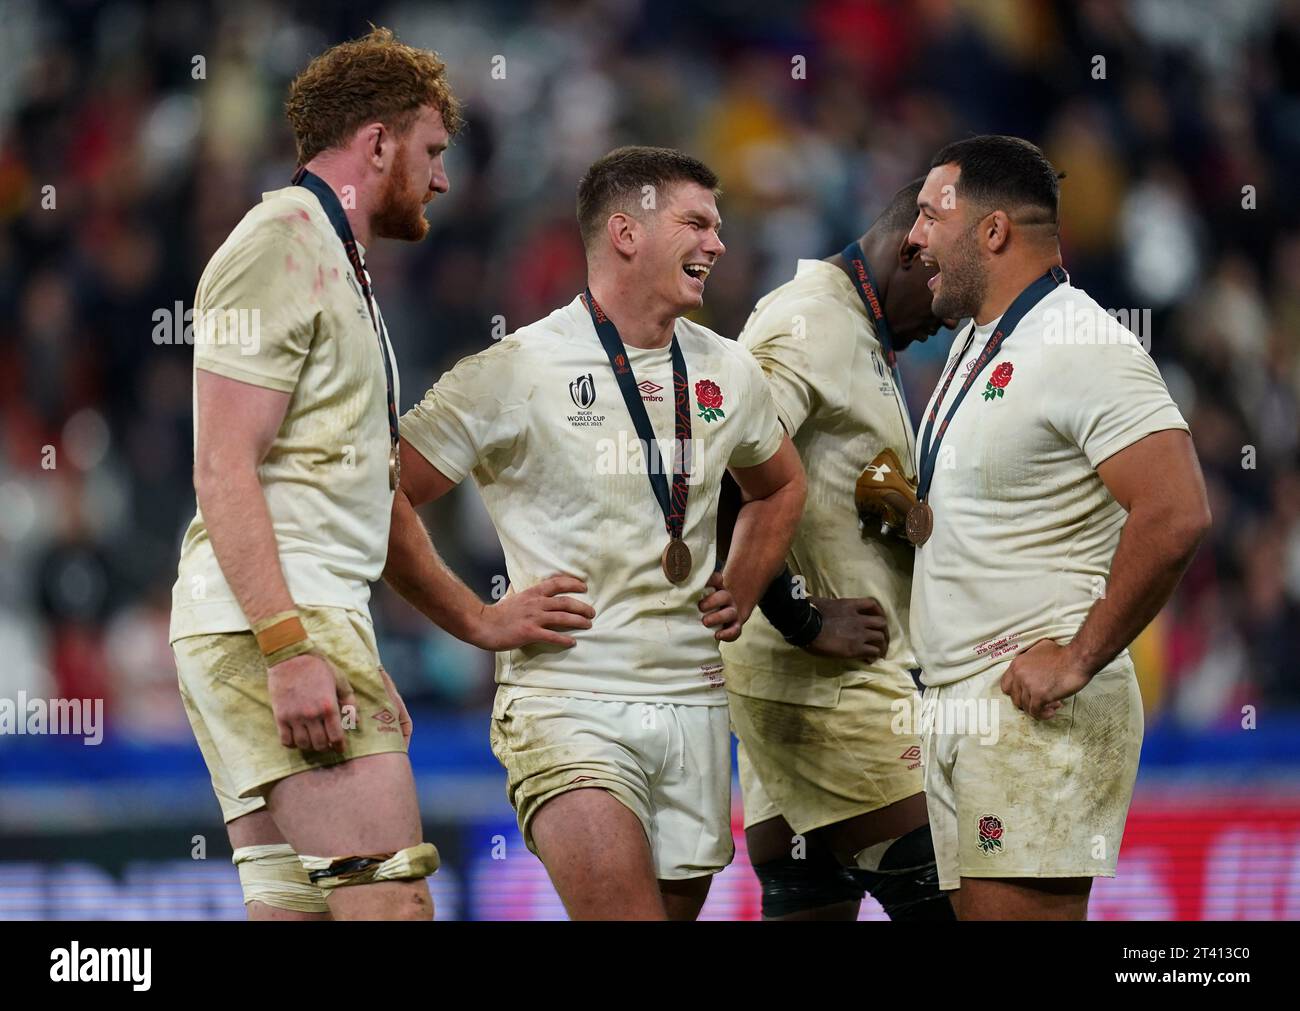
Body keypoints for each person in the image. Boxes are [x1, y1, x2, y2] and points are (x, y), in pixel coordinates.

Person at [169, 27, 566, 922]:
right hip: (270, 618)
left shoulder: (334, 263)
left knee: (297, 912)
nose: (442, 178)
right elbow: (220, 464)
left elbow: (370, 496)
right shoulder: (278, 242)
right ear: (376, 145)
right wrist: (289, 646)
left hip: (293, 613)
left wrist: (478, 620)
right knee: (393, 904)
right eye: (430, 151)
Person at [386, 146, 806, 920]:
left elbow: (780, 484)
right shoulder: (517, 368)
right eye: (697, 223)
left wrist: (745, 579)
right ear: (625, 232)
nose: (717, 244)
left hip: (693, 701)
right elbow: (382, 496)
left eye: (719, 226)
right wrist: (476, 618)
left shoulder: (729, 370)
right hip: (569, 699)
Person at [906, 135, 1211, 920]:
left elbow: (1176, 511)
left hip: (1032, 709)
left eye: (928, 215)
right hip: (966, 706)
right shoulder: (979, 343)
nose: (914, 237)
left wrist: (1077, 659)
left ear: (994, 230)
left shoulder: (1084, 344)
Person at [717, 178, 956, 921]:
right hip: (830, 690)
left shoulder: (858, 332)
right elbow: (729, 461)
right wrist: (803, 619)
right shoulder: (810, 319)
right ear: (912, 250)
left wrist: (896, 513)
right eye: (941, 290)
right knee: (957, 895)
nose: (943, 317)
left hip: (805, 695)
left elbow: (805, 478)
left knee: (810, 900)